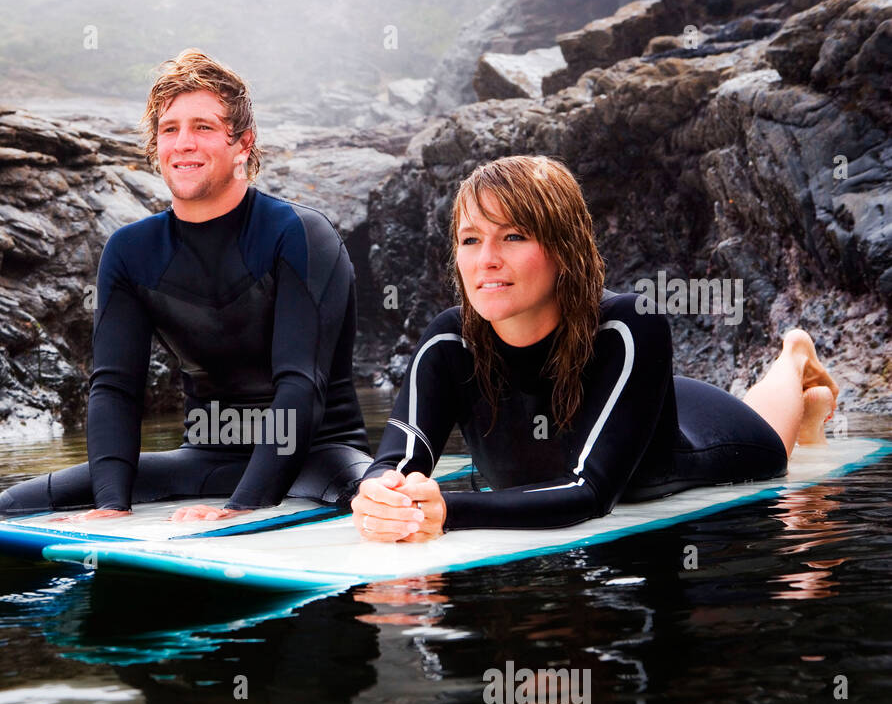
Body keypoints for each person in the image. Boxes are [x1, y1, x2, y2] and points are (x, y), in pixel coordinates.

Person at [352, 155, 840, 542]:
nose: (487, 260)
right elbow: (397, 459)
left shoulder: (629, 326)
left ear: (564, 249)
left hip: (703, 434)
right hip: (629, 400)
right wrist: (382, 493)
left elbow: (591, 492)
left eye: (514, 236)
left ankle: (793, 357)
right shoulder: (447, 342)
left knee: (776, 448)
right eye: (470, 239)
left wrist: (448, 511)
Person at [0, 49, 371, 522]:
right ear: (155, 146)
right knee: (14, 505)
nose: (183, 143)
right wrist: (110, 505)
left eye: (203, 127)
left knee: (371, 495)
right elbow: (114, 388)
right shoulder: (131, 251)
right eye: (170, 129)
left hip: (319, 459)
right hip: (208, 458)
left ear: (243, 144)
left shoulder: (298, 233)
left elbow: (300, 384)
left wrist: (244, 508)